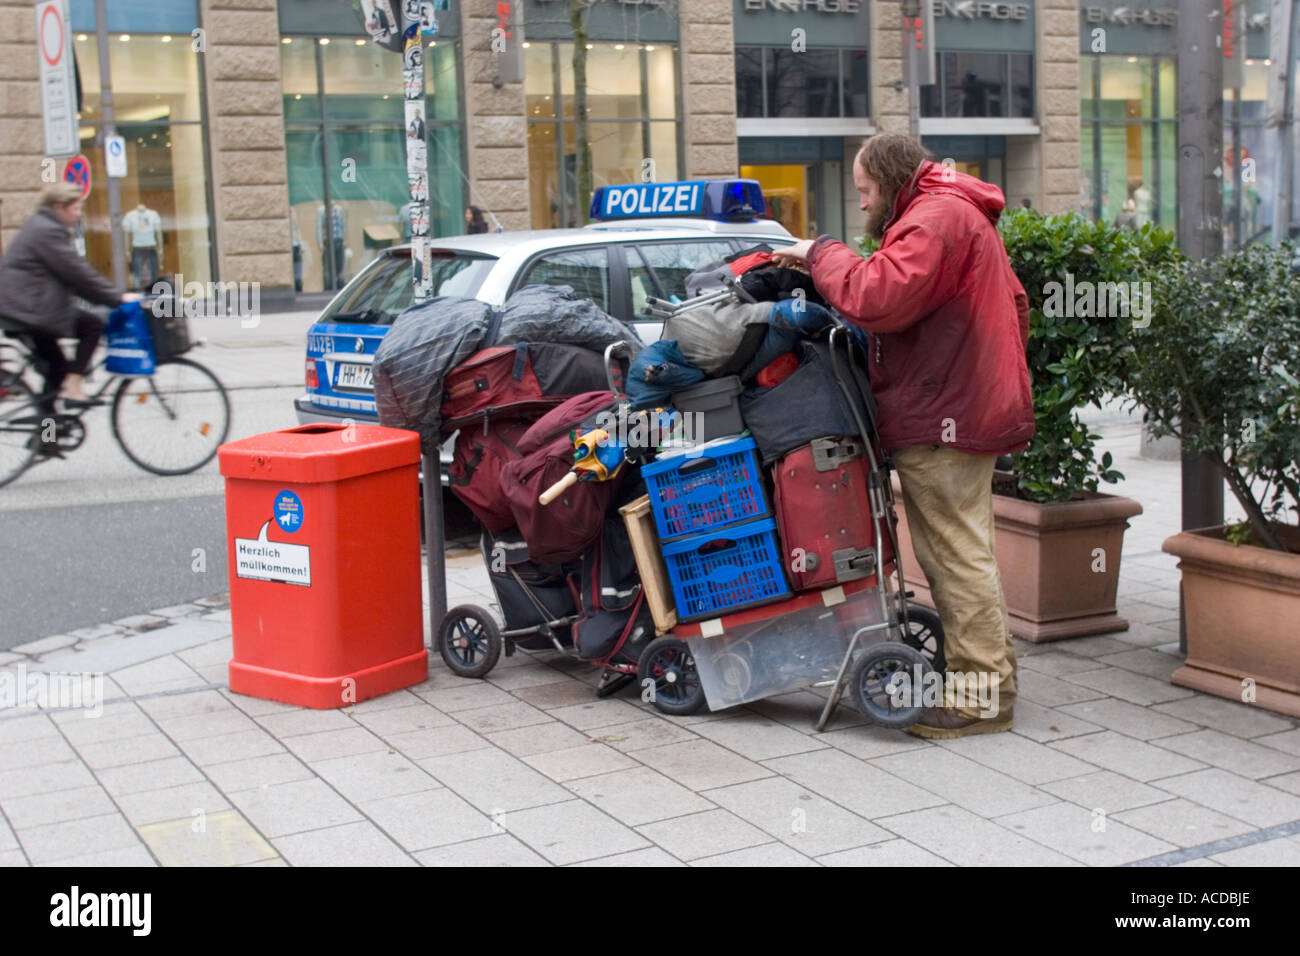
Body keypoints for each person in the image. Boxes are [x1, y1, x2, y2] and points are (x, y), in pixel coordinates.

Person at [772, 133, 1033, 739]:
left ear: (890, 181)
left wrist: (820, 253)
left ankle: (981, 698)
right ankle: (992, 679)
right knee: (964, 552)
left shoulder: (935, 217)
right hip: (959, 403)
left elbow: (874, 295)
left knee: (954, 557)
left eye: (864, 191)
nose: (862, 204)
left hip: (944, 411)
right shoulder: (950, 211)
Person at [0, 181, 139, 405]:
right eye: (76, 208)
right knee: (92, 325)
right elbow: (76, 272)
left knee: (55, 374)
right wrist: (117, 297)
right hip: (27, 311)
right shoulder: (46, 230)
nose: (79, 214)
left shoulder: (42, 225)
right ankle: (72, 388)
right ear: (58, 207)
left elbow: (72, 275)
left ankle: (47, 434)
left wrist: (105, 295)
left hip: (28, 308)